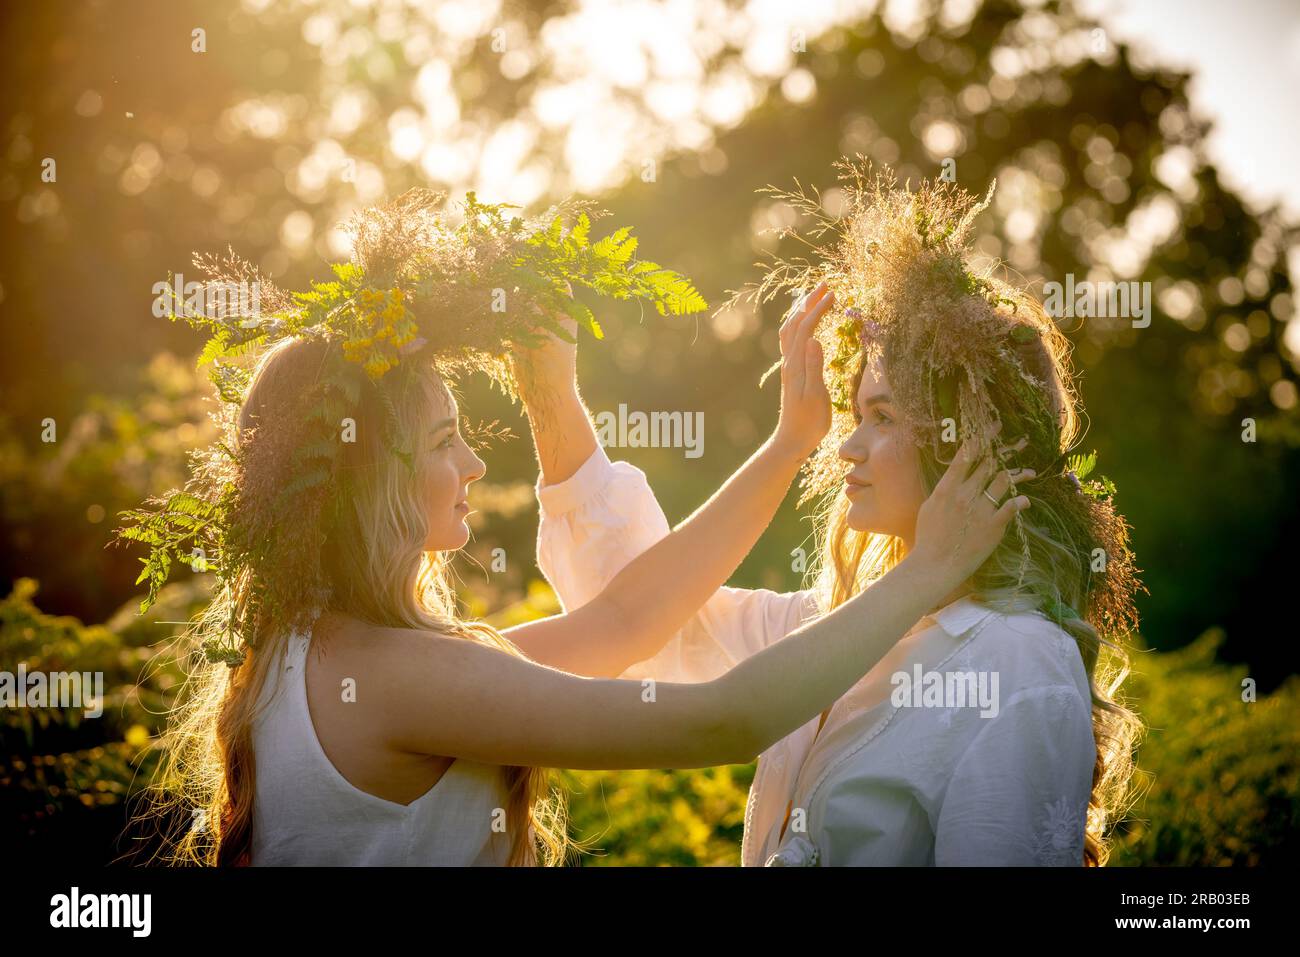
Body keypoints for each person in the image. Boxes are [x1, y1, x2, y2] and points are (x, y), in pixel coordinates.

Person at [137, 281, 1027, 867]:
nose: (475, 467)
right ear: (373, 477)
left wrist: (791, 440)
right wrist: (927, 570)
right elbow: (723, 720)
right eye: (448, 440)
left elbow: (628, 621)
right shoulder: (394, 673)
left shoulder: (323, 655)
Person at [529, 174, 1143, 866]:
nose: (847, 444)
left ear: (968, 439)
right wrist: (552, 394)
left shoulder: (1020, 658)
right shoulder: (829, 626)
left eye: (881, 416)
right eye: (855, 414)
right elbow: (636, 628)